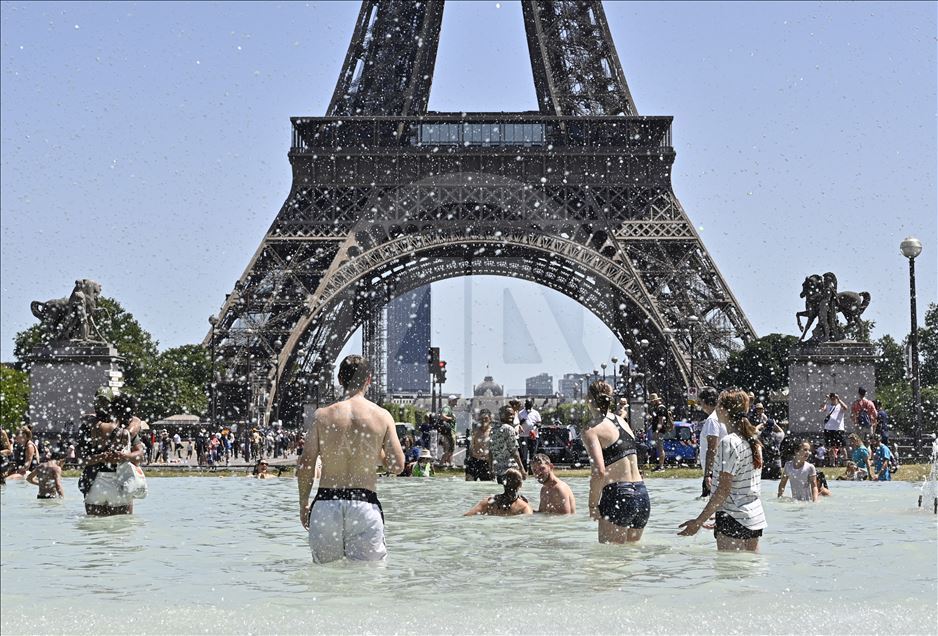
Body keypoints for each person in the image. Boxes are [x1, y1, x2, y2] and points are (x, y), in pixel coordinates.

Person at [297, 354, 404, 564]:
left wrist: (303, 504)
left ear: (339, 379)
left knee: (323, 579)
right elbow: (397, 466)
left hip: (326, 503)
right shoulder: (382, 416)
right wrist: (373, 451)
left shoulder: (323, 416)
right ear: (369, 380)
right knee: (369, 582)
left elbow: (306, 464)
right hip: (364, 504)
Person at [678, 388, 766, 552]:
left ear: (724, 410)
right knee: (750, 570)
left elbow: (723, 490)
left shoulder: (729, 442)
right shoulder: (753, 441)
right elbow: (745, 485)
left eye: (718, 404)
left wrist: (698, 522)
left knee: (729, 574)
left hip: (732, 518)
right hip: (754, 517)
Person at [582, 380, 649, 544]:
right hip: (641, 494)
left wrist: (592, 505)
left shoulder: (591, 429)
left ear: (588, 399)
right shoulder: (623, 423)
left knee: (609, 561)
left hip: (618, 495)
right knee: (631, 555)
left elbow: (599, 471)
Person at [79, 392, 146, 516]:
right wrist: (125, 456)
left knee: (94, 530)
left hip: (94, 482)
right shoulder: (128, 427)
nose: (99, 406)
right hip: (120, 481)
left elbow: (80, 459)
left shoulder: (89, 426)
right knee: (122, 529)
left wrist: (99, 457)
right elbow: (140, 456)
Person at [464, 468, 532, 516]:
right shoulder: (524, 507)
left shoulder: (490, 501)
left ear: (503, 483)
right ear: (520, 485)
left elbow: (468, 515)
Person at [696, 386, 725, 497]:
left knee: (710, 506)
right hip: (722, 469)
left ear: (704, 402)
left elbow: (712, 448)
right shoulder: (722, 416)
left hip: (714, 472)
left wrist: (708, 474)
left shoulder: (712, 420)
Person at [489, 404, 526, 484]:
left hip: (498, 471)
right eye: (509, 414)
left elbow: (491, 451)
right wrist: (522, 468)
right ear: (502, 415)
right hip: (511, 471)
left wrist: (491, 468)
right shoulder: (509, 429)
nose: (512, 416)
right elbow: (514, 452)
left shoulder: (493, 429)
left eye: (513, 414)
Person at [755, 404, 785, 480]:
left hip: (766, 463)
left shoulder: (761, 435)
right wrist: (775, 424)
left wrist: (761, 424)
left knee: (765, 484)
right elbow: (782, 431)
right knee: (776, 484)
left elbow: (755, 431)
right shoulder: (777, 436)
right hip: (776, 463)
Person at [820, 393, 848, 466]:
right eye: (831, 397)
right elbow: (821, 408)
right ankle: (832, 463)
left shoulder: (839, 406)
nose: (833, 398)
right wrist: (826, 399)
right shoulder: (828, 406)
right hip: (828, 429)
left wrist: (839, 399)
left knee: (842, 447)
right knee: (830, 447)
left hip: (838, 429)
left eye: (834, 397)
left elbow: (845, 408)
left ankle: (845, 463)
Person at [465, 409, 493, 482]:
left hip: (487, 463)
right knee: (469, 484)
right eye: (482, 418)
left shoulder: (493, 432)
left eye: (486, 418)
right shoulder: (475, 431)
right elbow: (471, 447)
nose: (484, 420)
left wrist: (492, 466)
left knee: (485, 488)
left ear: (490, 419)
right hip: (474, 461)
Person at [648, 393, 671, 471]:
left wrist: (657, 431)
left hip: (660, 431)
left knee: (660, 448)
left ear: (656, 401)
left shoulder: (660, 408)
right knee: (658, 448)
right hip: (658, 430)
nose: (651, 402)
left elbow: (661, 421)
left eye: (652, 401)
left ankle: (661, 466)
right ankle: (659, 465)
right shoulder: (657, 408)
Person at [517, 399, 542, 471]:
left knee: (533, 453)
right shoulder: (521, 413)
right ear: (525, 405)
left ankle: (532, 470)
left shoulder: (536, 413)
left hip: (533, 435)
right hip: (523, 436)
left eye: (529, 405)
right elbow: (517, 424)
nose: (528, 407)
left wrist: (536, 425)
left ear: (532, 405)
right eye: (527, 405)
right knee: (523, 454)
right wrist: (522, 421)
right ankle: (524, 469)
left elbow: (539, 423)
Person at [439, 396, 458, 467]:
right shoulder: (447, 408)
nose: (456, 401)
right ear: (450, 401)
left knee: (450, 449)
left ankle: (449, 464)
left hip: (450, 432)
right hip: (449, 432)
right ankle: (441, 464)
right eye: (454, 400)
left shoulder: (450, 409)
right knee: (449, 449)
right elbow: (442, 416)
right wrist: (451, 418)